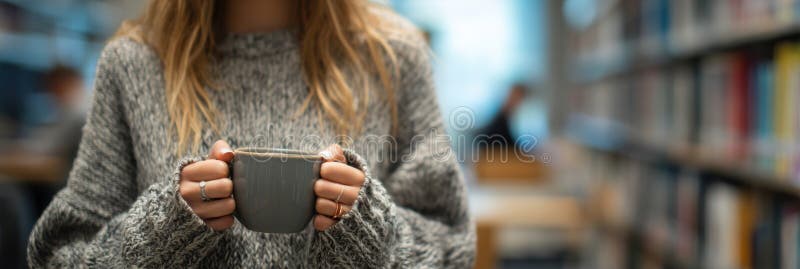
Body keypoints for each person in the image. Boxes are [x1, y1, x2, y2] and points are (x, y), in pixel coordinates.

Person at [26, 0, 475, 268]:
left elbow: (453, 249)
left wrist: (370, 233)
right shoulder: (134, 63)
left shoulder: (392, 57)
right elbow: (60, 254)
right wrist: (165, 232)